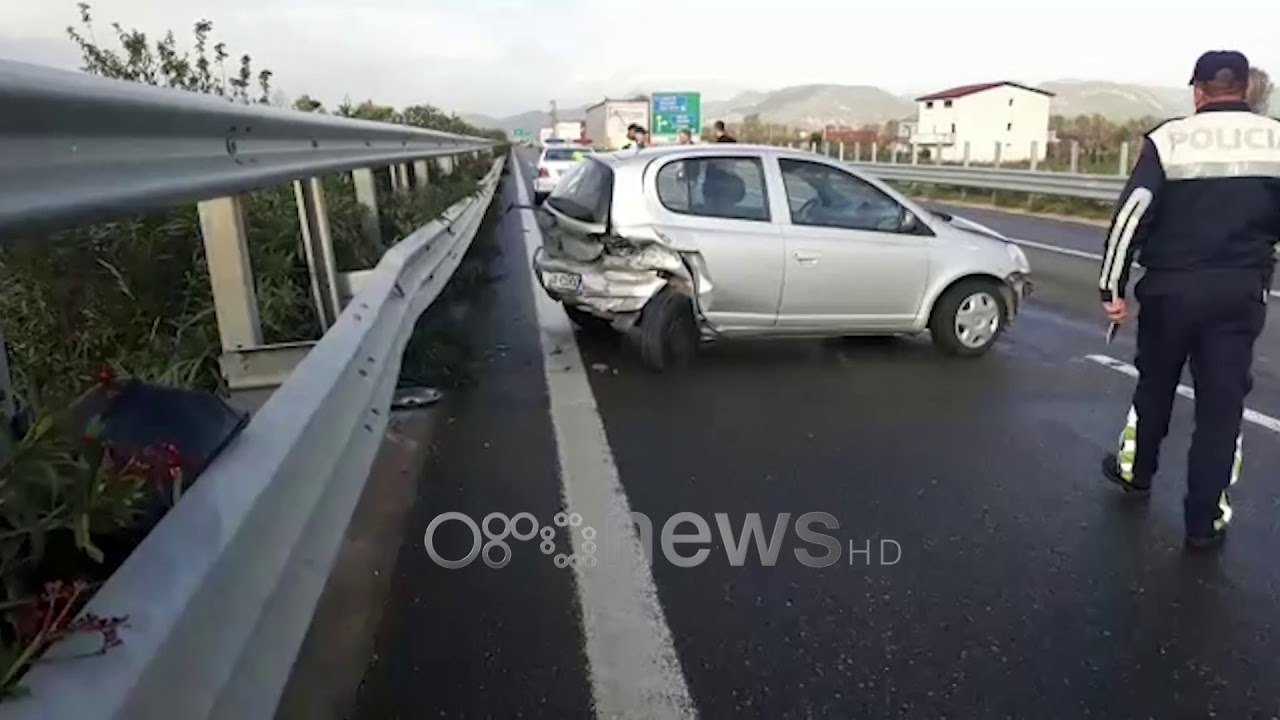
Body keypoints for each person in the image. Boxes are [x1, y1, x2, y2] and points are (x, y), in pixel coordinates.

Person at [1098, 50, 1280, 551]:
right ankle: (1204, 522)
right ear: (1245, 88)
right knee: (1222, 409)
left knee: (1155, 386)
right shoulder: (1276, 139)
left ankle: (1137, 475)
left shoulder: (1169, 139)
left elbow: (1133, 215)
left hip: (1169, 291)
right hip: (1239, 293)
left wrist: (1111, 289)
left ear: (1198, 90)